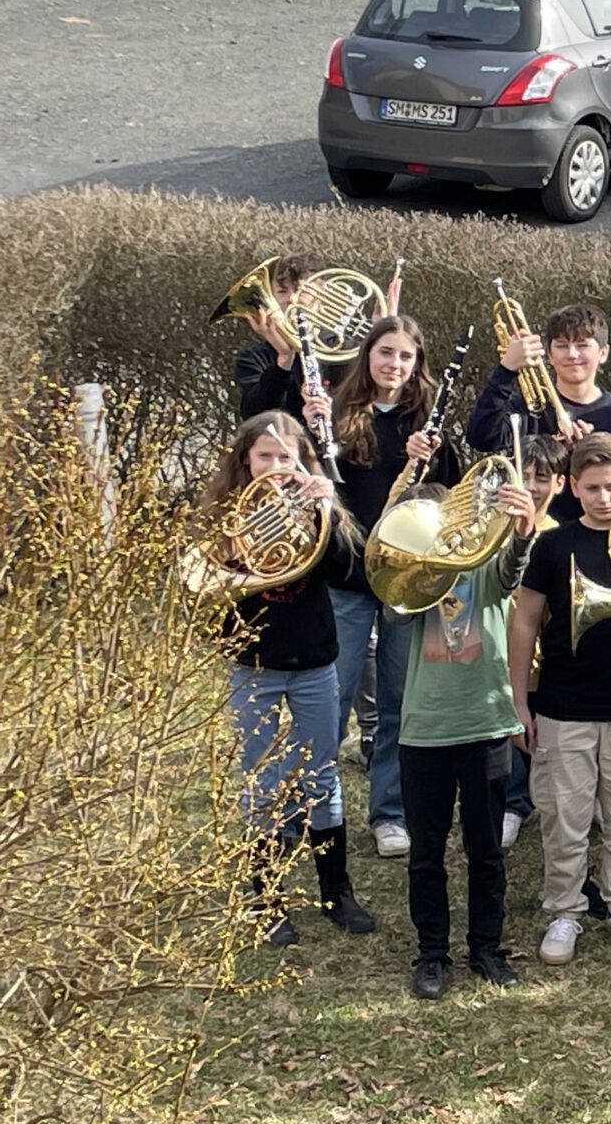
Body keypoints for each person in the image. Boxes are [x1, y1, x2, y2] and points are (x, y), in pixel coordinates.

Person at [208, 412, 373, 948]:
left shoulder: (316, 508)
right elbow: (212, 587)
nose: (276, 466)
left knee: (322, 775)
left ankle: (336, 893)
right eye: (265, 456)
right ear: (245, 459)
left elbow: (350, 571)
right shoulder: (226, 514)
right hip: (253, 663)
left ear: (303, 460)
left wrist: (327, 513)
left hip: (313, 660)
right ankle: (267, 899)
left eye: (287, 457)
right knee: (261, 781)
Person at [509, 434, 611, 964]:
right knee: (564, 814)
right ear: (574, 488)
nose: (605, 498)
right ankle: (565, 909)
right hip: (564, 701)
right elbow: (525, 620)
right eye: (594, 488)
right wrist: (519, 700)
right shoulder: (553, 545)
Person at [395, 473, 541, 998]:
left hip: (484, 725)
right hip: (425, 729)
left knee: (486, 849)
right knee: (426, 853)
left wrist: (521, 532)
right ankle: (432, 952)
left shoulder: (485, 566)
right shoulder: (412, 577)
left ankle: (486, 948)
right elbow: (393, 608)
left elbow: (511, 572)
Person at [325, 313, 448, 857]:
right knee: (333, 696)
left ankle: (390, 814)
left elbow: (445, 499)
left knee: (399, 700)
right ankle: (319, 808)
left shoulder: (428, 420)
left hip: (403, 579)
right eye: (385, 352)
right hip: (348, 575)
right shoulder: (336, 412)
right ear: (367, 356)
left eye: (405, 356)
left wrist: (430, 458)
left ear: (417, 364)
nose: (394, 364)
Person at [496, 434, 570, 852]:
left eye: (542, 478)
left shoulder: (558, 536)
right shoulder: (491, 529)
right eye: (522, 475)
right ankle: (512, 803)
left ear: (560, 484)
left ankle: (543, 798)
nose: (530, 486)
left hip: (542, 660)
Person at [466, 301, 611, 457]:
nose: (572, 354)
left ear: (603, 353)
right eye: (562, 346)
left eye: (582, 345)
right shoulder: (526, 408)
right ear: (549, 355)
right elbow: (481, 438)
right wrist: (507, 368)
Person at [230, 252, 321, 423]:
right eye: (282, 291)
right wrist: (284, 361)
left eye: (301, 290)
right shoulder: (253, 358)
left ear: (321, 294)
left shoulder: (347, 352)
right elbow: (255, 416)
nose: (292, 299)